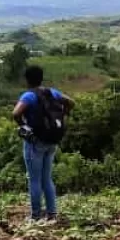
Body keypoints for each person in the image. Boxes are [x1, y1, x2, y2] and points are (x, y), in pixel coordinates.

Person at [12, 66, 74, 221]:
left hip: (35, 141)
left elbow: (16, 113)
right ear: (41, 78)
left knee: (34, 179)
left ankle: (36, 216)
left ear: (27, 79)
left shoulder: (29, 95)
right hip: (52, 140)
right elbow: (71, 102)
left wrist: (23, 126)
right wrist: (64, 115)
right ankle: (52, 213)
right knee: (47, 178)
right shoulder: (52, 92)